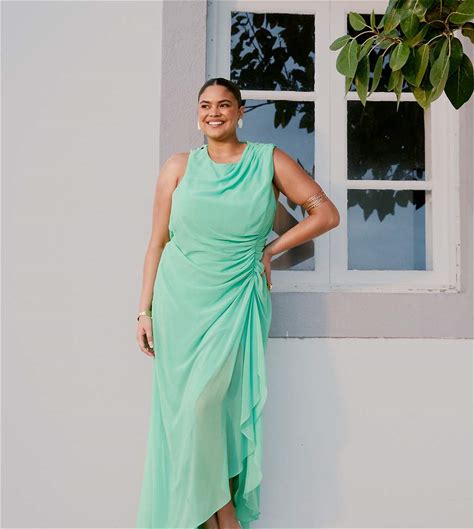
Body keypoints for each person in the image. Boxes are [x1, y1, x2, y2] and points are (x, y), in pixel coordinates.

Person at [135, 77, 340, 529]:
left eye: (224, 105)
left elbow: (325, 214)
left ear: (240, 112)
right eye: (205, 105)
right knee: (187, 415)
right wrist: (144, 311)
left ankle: (221, 517)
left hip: (236, 299)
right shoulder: (178, 167)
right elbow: (157, 243)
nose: (214, 112)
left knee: (212, 410)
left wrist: (269, 250)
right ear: (198, 114)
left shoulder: (268, 160)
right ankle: (219, 519)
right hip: (179, 303)